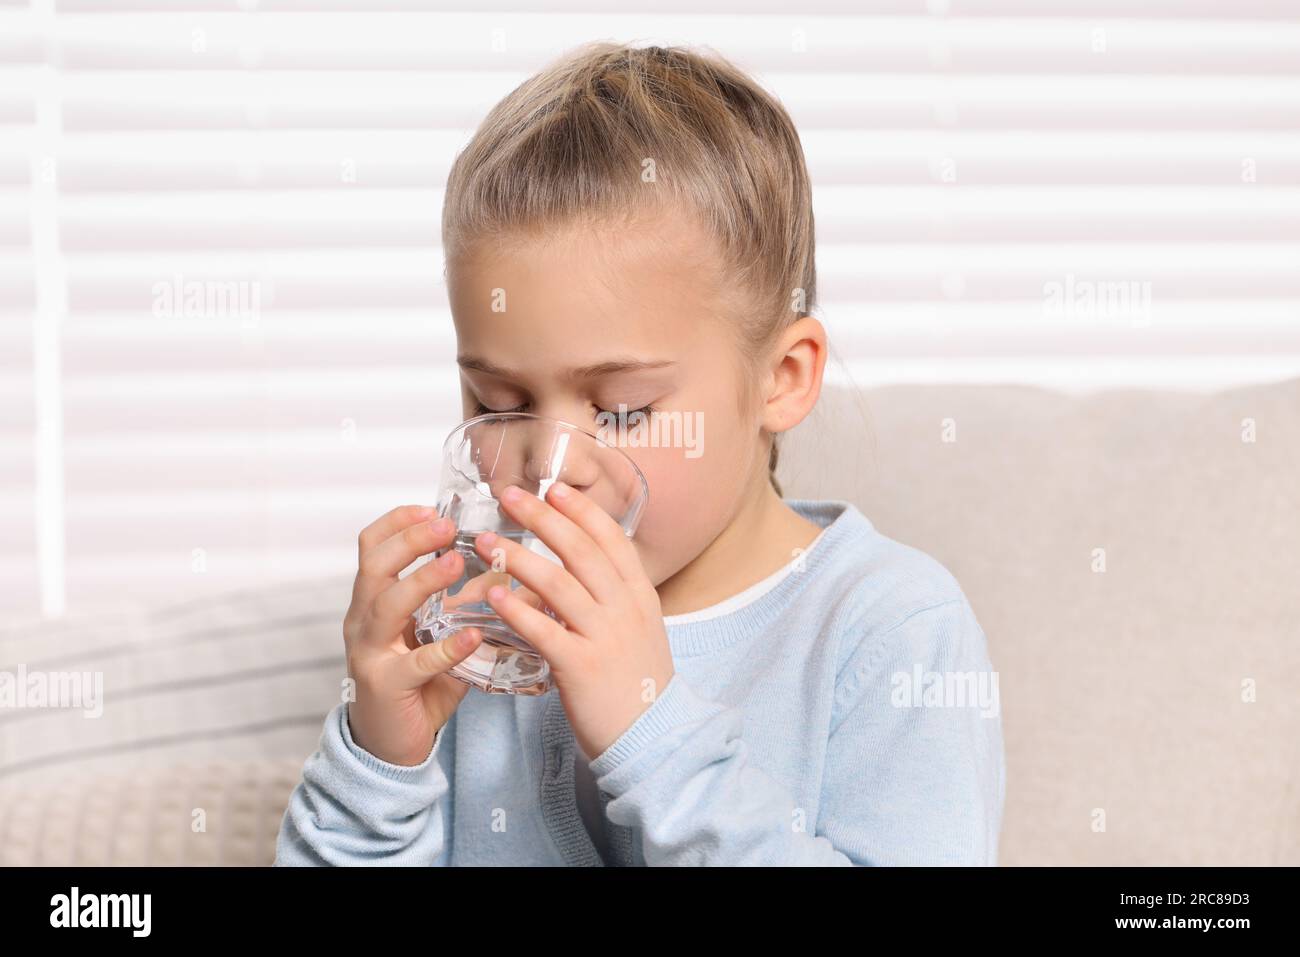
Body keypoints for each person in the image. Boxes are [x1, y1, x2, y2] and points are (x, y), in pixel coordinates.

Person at [275, 41, 1004, 866]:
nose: (546, 467)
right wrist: (380, 760)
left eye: (621, 412)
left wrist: (650, 735)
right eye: (499, 404)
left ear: (782, 378)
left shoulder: (889, 631)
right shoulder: (485, 629)